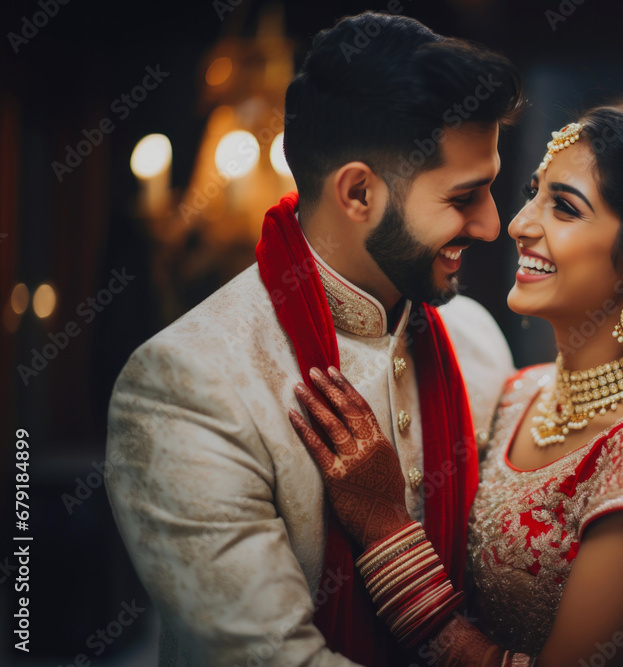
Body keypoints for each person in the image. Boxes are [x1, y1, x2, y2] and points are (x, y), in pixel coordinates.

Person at [291, 88, 623, 666]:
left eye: (563, 207)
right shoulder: (520, 392)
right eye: (531, 195)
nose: (517, 224)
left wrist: (385, 528)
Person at [104, 12, 524, 665]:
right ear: (358, 191)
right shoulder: (185, 382)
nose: (494, 225)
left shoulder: (476, 340)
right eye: (465, 196)